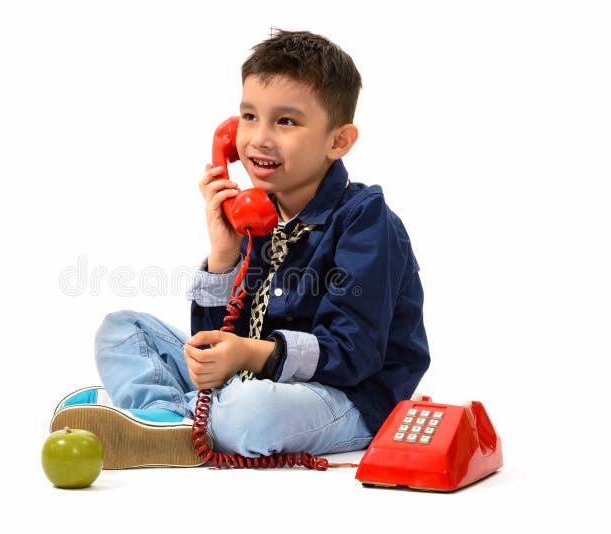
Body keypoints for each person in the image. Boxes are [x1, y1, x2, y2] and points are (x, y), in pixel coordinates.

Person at [50, 29, 430, 469]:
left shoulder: (366, 221)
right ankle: (165, 421)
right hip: (248, 378)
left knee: (250, 412)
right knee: (121, 329)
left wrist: (249, 354)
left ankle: (167, 412)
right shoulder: (256, 215)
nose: (258, 139)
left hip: (347, 395)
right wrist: (224, 256)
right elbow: (209, 340)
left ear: (338, 141)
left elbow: (355, 353)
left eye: (285, 121)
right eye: (249, 116)